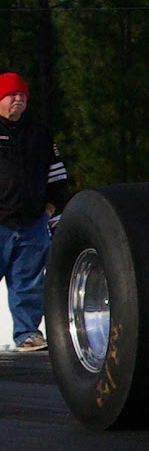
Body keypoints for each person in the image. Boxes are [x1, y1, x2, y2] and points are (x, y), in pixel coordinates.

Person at [0, 73, 67, 351]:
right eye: (12, 95)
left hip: (32, 224)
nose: (18, 99)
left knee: (28, 284)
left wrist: (50, 207)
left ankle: (27, 333)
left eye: (23, 96)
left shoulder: (39, 133)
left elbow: (57, 173)